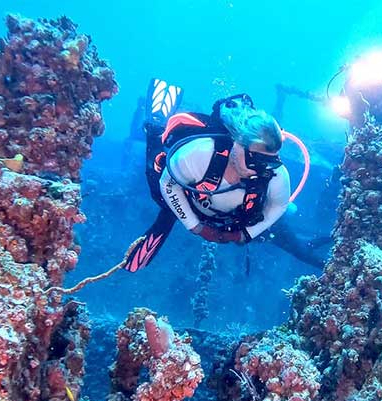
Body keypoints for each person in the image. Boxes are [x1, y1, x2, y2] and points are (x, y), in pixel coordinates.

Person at [123, 79, 299, 272]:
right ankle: (156, 125)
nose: (259, 169)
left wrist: (243, 235)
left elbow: (279, 205)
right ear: (237, 144)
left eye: (268, 162)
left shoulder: (275, 173)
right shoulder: (198, 153)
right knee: (158, 184)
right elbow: (168, 184)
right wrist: (196, 227)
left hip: (224, 215)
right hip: (185, 192)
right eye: (254, 159)